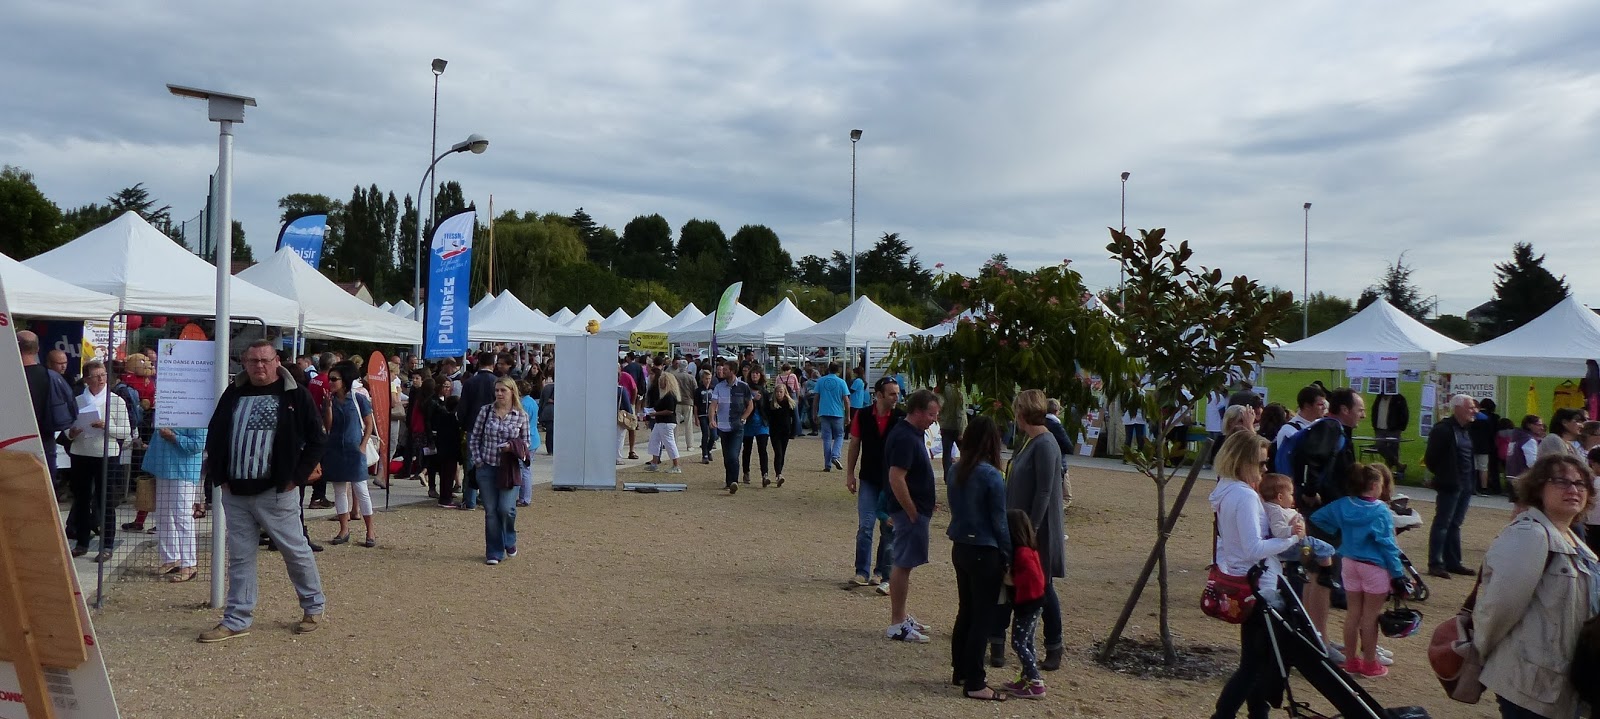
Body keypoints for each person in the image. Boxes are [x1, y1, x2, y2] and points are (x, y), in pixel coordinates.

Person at [198, 340, 326, 643]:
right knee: (240, 557)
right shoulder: (234, 393)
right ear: (244, 362)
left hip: (277, 491)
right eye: (253, 360)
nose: (259, 366)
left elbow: (318, 438)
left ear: (276, 360)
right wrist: (220, 475)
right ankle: (237, 618)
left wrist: (295, 477)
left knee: (295, 551)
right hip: (236, 491)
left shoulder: (296, 394)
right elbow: (215, 433)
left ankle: (313, 607)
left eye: (265, 360)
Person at [1476, 454, 1598, 719]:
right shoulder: (1531, 535)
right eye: (1561, 481)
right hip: (1530, 682)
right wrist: (1482, 652)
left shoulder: (1573, 540)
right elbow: (1500, 606)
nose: (1573, 489)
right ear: (1538, 487)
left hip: (1561, 683)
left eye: (1580, 484)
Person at [1208, 431, 1304, 719]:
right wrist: (1292, 540)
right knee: (1255, 664)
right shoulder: (1245, 496)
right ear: (1244, 462)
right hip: (1258, 584)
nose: (1265, 470)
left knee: (1255, 659)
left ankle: (1256, 712)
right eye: (1261, 464)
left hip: (1244, 579)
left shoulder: (1227, 489)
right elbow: (1253, 548)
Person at [990, 389, 1066, 671]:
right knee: (1008, 583)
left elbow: (1045, 491)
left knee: (1042, 585)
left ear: (1022, 412)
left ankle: (1054, 645)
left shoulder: (1045, 443)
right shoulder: (1028, 441)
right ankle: (996, 642)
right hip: (1018, 527)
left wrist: (1031, 532)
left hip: (1036, 532)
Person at [1311, 464, 1405, 678]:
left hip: (1350, 562)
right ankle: (1370, 663)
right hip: (1374, 566)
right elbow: (1388, 545)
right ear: (1374, 485)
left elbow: (1318, 517)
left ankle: (1352, 660)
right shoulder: (1380, 510)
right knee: (1370, 617)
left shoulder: (1344, 504)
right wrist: (1398, 573)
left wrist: (1338, 530)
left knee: (1353, 614)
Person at [945, 415, 1009, 701]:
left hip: (961, 545)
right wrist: (1009, 553)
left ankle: (960, 669)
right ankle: (975, 681)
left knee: (966, 610)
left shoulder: (955, 470)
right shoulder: (992, 475)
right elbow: (999, 521)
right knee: (982, 617)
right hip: (985, 548)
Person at [883, 389, 942, 643]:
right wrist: (911, 511)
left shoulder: (912, 434)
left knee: (905, 563)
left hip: (915, 510)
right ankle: (897, 622)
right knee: (903, 563)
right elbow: (896, 477)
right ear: (917, 411)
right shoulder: (905, 437)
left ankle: (902, 615)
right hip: (909, 513)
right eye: (931, 414)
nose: (933, 420)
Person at [64, 360, 134, 562]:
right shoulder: (77, 401)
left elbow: (125, 431)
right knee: (82, 499)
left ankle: (107, 544)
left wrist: (106, 427)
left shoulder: (116, 401)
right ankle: (82, 542)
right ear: (87, 379)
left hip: (107, 455)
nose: (102, 379)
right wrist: (72, 433)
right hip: (81, 453)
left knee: (105, 500)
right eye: (96, 376)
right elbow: (66, 429)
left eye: (103, 375)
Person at [845, 377, 904, 590]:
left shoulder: (901, 418)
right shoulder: (862, 415)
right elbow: (854, 445)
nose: (896, 397)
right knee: (866, 526)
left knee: (889, 528)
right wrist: (850, 474)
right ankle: (861, 571)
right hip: (869, 478)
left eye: (897, 393)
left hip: (892, 481)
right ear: (879, 395)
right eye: (892, 393)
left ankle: (883, 573)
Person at [469, 377, 530, 565]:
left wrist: (512, 448)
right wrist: (478, 461)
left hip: (509, 468)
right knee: (491, 511)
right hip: (486, 466)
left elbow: (526, 444)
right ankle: (494, 551)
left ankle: (509, 539)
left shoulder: (521, 415)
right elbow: (474, 437)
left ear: (512, 392)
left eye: (503, 390)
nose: (499, 394)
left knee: (506, 509)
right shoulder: (485, 411)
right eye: (497, 390)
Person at [1423, 394, 1480, 580]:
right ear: (1458, 408)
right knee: (1443, 523)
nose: (1475, 411)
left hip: (1465, 484)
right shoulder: (1443, 430)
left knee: (1455, 524)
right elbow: (1431, 457)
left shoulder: (1465, 430)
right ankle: (1436, 563)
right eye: (1471, 407)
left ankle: (1453, 561)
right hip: (1450, 484)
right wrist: (1445, 475)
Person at [322, 362, 377, 548]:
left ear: (344, 380)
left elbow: (369, 423)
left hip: (354, 449)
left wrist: (362, 445)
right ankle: (344, 529)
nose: (330, 382)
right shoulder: (330, 399)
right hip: (336, 448)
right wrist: (327, 406)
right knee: (339, 490)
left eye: (334, 379)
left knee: (361, 489)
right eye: (330, 379)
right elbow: (328, 427)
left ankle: (370, 530)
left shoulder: (358, 398)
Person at [145, 425, 206, 582]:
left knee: (182, 516)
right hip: (163, 468)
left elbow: (198, 445)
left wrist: (174, 438)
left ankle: (189, 563)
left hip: (183, 471)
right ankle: (171, 558)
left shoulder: (195, 416)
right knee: (162, 515)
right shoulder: (166, 411)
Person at [18, 330, 75, 487]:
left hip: (12, 440)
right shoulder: (52, 377)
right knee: (45, 486)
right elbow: (71, 407)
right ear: (37, 350)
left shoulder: (7, 375)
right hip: (44, 438)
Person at [1001, 509, 1048, 700]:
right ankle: (1027, 676)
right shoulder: (1031, 549)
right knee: (1028, 641)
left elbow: (1030, 576)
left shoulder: (1022, 554)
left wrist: (1012, 580)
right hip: (1036, 602)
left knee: (1018, 643)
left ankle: (1036, 682)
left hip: (1027, 604)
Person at [1259, 472, 1333, 576]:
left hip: (1290, 545)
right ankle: (1326, 575)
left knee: (1309, 550)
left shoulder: (1270, 507)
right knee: (1325, 548)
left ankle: (1298, 569)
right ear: (1280, 497)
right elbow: (1278, 531)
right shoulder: (1277, 512)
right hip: (1292, 545)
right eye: (1291, 494)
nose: (1293, 498)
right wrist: (1292, 529)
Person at [456, 353, 498, 509]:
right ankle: (487, 497)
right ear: (492, 364)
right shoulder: (496, 383)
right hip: (493, 428)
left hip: (473, 426)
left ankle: (470, 499)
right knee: (490, 462)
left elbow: (463, 408)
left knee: (471, 464)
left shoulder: (470, 382)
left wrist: (463, 424)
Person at [708, 360, 752, 494]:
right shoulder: (719, 387)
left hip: (737, 426)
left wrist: (743, 418)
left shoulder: (743, 387)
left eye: (725, 369)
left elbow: (750, 405)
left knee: (733, 455)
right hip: (722, 426)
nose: (722, 372)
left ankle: (734, 481)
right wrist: (712, 419)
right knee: (727, 456)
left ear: (732, 371)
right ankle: (729, 482)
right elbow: (713, 404)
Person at [428, 383, 464, 508]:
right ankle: (445, 498)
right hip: (449, 451)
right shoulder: (451, 420)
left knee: (446, 474)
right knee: (448, 475)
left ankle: (446, 496)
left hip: (443, 450)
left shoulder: (443, 417)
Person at [645, 371, 683, 475]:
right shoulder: (664, 395)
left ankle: (676, 465)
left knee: (669, 443)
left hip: (666, 422)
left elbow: (670, 410)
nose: (660, 383)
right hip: (660, 422)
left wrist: (656, 413)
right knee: (654, 441)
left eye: (662, 381)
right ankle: (654, 463)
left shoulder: (670, 395)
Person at [815, 362, 849, 471]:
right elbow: (846, 400)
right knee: (839, 435)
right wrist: (848, 415)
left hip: (824, 412)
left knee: (827, 439)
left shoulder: (820, 381)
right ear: (838, 370)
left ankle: (827, 464)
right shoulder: (842, 382)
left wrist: (814, 413)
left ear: (828, 369)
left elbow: (816, 399)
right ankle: (835, 455)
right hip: (838, 412)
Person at [741, 366, 771, 485]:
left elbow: (768, 408)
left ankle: (765, 474)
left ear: (761, 375)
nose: (755, 375)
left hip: (762, 424)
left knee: (762, 450)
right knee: (747, 449)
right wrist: (753, 399)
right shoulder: (745, 388)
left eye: (757, 373)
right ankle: (746, 472)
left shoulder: (764, 390)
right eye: (753, 373)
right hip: (748, 423)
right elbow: (742, 403)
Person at [1042, 398, 1074, 509]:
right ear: (1057, 411)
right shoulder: (1056, 425)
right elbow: (1068, 446)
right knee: (1066, 494)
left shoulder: (1041, 422)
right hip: (1059, 459)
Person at [765, 382, 796, 487]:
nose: (779, 394)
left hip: (785, 432)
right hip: (775, 432)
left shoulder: (789, 404)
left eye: (781, 392)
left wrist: (793, 432)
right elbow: (768, 417)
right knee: (778, 453)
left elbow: (795, 419)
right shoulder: (772, 405)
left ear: (784, 393)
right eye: (777, 392)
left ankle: (780, 472)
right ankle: (778, 474)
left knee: (782, 453)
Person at [517, 380, 542, 505]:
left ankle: (524, 498)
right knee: (526, 468)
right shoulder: (532, 401)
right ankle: (524, 497)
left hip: (527, 439)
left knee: (524, 469)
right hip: (534, 436)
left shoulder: (523, 404)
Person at [938, 377, 967, 475]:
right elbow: (960, 413)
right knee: (964, 452)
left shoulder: (941, 391)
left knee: (946, 453)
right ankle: (964, 473)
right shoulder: (958, 393)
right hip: (956, 427)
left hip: (945, 426)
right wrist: (962, 430)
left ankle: (947, 476)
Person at [1503, 414, 1543, 484]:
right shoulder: (1529, 440)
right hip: (1523, 478)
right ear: (1529, 425)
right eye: (1538, 425)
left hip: (1510, 476)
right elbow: (1532, 463)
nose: (1541, 428)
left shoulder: (1515, 438)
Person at [694, 370, 715, 464]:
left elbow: (716, 402)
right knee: (705, 434)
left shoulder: (713, 389)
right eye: (706, 379)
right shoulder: (698, 390)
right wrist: (696, 418)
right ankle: (704, 455)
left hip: (712, 415)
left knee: (714, 435)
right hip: (702, 414)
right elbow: (696, 405)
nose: (708, 380)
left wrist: (716, 411)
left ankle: (709, 449)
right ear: (702, 379)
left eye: (709, 379)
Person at [537, 371, 555, 455]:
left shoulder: (546, 388)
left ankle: (550, 449)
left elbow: (541, 402)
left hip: (546, 412)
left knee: (549, 432)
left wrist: (540, 414)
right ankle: (552, 449)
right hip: (553, 412)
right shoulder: (562, 387)